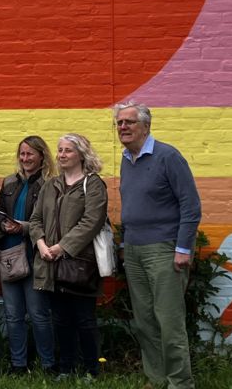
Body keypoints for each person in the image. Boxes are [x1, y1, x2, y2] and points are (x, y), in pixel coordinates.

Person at [115, 101, 201, 389]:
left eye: (129, 122)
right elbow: (132, 206)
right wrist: (125, 244)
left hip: (164, 249)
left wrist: (183, 249)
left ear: (146, 126)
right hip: (134, 250)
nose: (123, 127)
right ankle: (157, 378)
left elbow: (191, 205)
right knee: (144, 321)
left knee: (169, 320)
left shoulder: (168, 156)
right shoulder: (126, 159)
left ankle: (180, 382)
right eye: (119, 123)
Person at [29, 133, 108, 380]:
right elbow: (35, 219)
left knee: (84, 319)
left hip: (80, 264)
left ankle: (91, 370)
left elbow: (92, 221)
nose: (62, 155)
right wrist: (41, 244)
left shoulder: (93, 184)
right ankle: (66, 368)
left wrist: (62, 247)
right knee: (60, 319)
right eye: (60, 150)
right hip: (51, 263)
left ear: (81, 154)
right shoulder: (50, 185)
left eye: (68, 150)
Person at [0, 136, 57, 374]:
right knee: (12, 314)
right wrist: (3, 224)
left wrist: (24, 227)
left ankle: (48, 363)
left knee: (39, 314)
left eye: (30, 154)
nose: (25, 158)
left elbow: (52, 222)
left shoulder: (50, 184)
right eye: (22, 154)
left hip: (35, 254)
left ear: (42, 156)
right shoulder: (10, 182)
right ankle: (18, 364)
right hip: (10, 254)